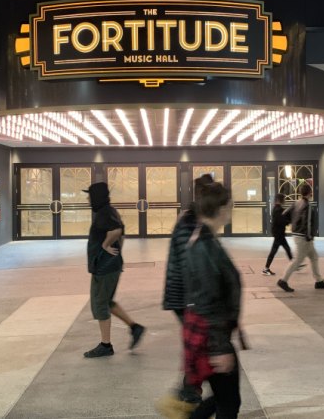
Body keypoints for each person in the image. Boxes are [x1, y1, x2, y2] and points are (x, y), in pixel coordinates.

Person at [156, 174, 212, 417]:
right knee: (203, 347)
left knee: (199, 347)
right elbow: (191, 264)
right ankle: (187, 394)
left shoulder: (193, 219)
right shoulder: (191, 221)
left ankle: (188, 392)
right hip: (186, 296)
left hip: (185, 295)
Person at [184, 182, 242, 419]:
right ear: (221, 209)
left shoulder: (206, 239)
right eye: (230, 205)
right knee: (228, 403)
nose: (232, 208)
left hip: (212, 334)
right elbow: (208, 300)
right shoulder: (205, 246)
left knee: (223, 399)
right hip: (213, 337)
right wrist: (219, 348)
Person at [83, 182, 145, 358]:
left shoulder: (104, 213)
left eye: (90, 195)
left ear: (96, 197)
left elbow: (117, 231)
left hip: (104, 267)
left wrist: (105, 245)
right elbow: (122, 232)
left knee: (100, 304)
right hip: (109, 265)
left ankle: (106, 345)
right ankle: (135, 327)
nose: (88, 198)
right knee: (107, 301)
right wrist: (117, 252)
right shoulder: (109, 211)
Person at [277, 184, 324, 292]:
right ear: (309, 192)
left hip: (298, 235)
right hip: (304, 237)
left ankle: (319, 281)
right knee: (297, 260)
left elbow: (284, 214)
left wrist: (292, 223)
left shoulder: (296, 203)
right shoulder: (307, 205)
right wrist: (309, 236)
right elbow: (307, 222)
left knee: (314, 257)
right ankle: (283, 280)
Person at [262, 193, 293, 276]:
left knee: (287, 248)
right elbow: (281, 221)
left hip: (279, 233)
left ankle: (294, 264)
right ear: (280, 200)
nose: (285, 201)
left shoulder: (277, 208)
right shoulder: (278, 209)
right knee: (274, 251)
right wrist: (288, 221)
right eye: (284, 199)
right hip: (279, 234)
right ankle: (266, 268)